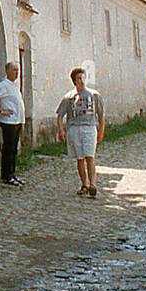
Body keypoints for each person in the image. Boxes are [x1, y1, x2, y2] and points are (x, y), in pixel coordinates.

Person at [56, 67, 106, 198]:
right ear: (74, 81)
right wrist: (61, 130)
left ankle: (93, 184)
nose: (82, 81)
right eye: (79, 78)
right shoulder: (69, 97)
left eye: (83, 77)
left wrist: (101, 131)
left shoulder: (94, 95)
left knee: (90, 156)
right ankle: (84, 184)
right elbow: (60, 115)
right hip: (74, 129)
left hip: (89, 127)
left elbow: (101, 116)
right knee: (80, 158)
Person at [0, 61, 26, 186]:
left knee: (13, 149)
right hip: (9, 122)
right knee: (8, 149)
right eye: (14, 70)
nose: (16, 72)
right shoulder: (3, 85)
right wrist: (0, 110)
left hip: (17, 120)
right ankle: (6, 176)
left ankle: (12, 173)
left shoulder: (14, 85)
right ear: (7, 71)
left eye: (17, 70)